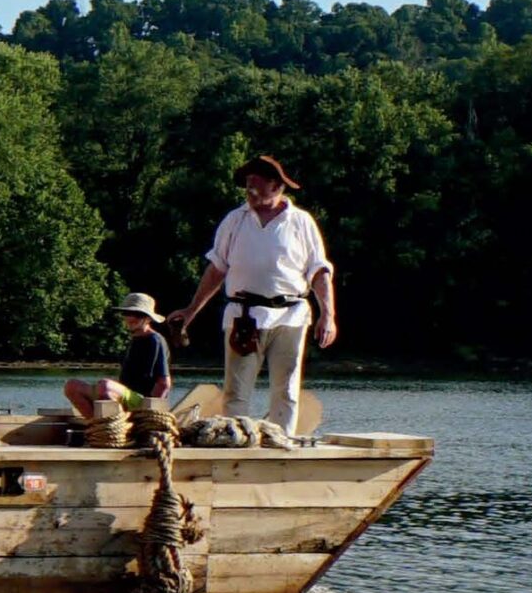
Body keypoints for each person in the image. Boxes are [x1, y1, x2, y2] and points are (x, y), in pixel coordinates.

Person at [174, 154, 336, 435]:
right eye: (247, 184)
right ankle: (236, 444)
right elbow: (216, 269)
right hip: (244, 316)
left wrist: (328, 315)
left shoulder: (300, 222)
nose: (249, 191)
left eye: (256, 184)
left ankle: (281, 443)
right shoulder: (235, 220)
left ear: (276, 186)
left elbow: (319, 272)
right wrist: (191, 311)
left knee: (286, 390)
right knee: (236, 392)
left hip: (291, 315)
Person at [65, 293, 174, 423]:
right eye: (127, 313)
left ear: (148, 318)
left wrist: (149, 415)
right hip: (125, 395)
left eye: (138, 314)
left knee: (105, 386)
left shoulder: (155, 340)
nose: (131, 318)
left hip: (142, 402)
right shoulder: (134, 340)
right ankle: (98, 427)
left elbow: (164, 383)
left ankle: (110, 425)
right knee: (71, 386)